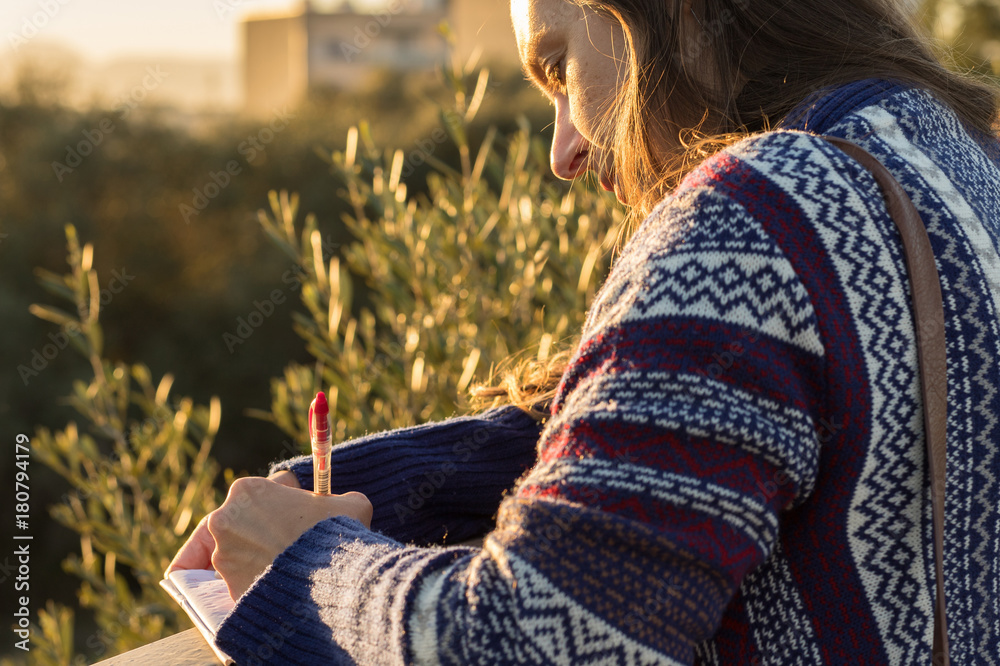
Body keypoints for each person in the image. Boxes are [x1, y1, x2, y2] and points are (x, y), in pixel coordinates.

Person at [168, 0, 1000, 662]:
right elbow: (723, 419)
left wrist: (310, 565)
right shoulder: (955, 158)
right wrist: (401, 484)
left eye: (560, 67)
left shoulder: (758, 215)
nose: (562, 152)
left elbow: (535, 641)